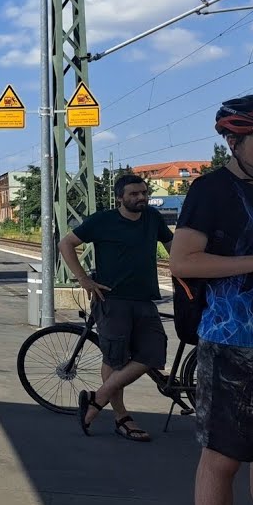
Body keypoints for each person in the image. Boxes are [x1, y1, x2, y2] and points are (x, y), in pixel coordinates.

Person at [169, 96, 253, 505]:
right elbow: (183, 262)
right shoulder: (210, 190)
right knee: (223, 459)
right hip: (231, 342)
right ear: (234, 140)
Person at [58, 173, 173, 442]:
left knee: (154, 353)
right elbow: (66, 243)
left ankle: (98, 398)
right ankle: (121, 417)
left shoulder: (153, 219)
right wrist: (84, 279)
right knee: (115, 358)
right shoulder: (103, 220)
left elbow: (172, 247)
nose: (141, 198)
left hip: (145, 299)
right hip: (112, 300)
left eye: (143, 193)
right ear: (119, 197)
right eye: (134, 194)